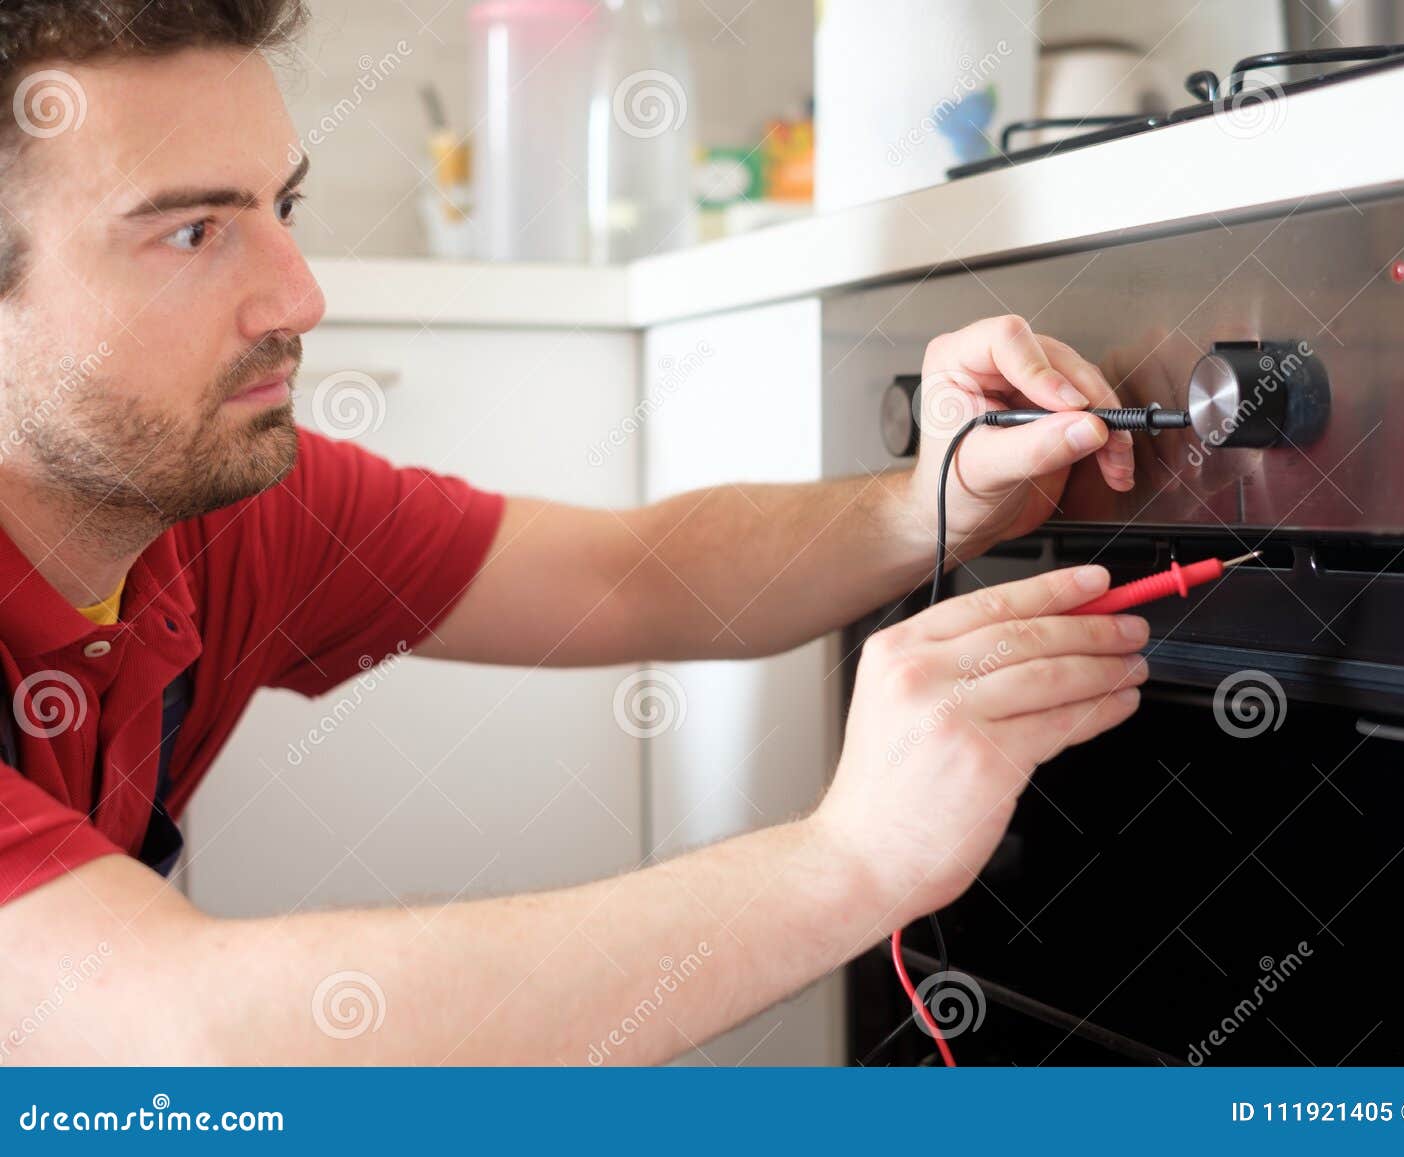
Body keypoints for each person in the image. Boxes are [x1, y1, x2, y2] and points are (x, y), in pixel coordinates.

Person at [0, 0, 1148, 1064]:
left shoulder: (216, 514)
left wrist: (927, 499)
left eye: (280, 207)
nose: (301, 297)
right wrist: (847, 858)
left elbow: (634, 576)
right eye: (193, 233)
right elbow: (182, 1037)